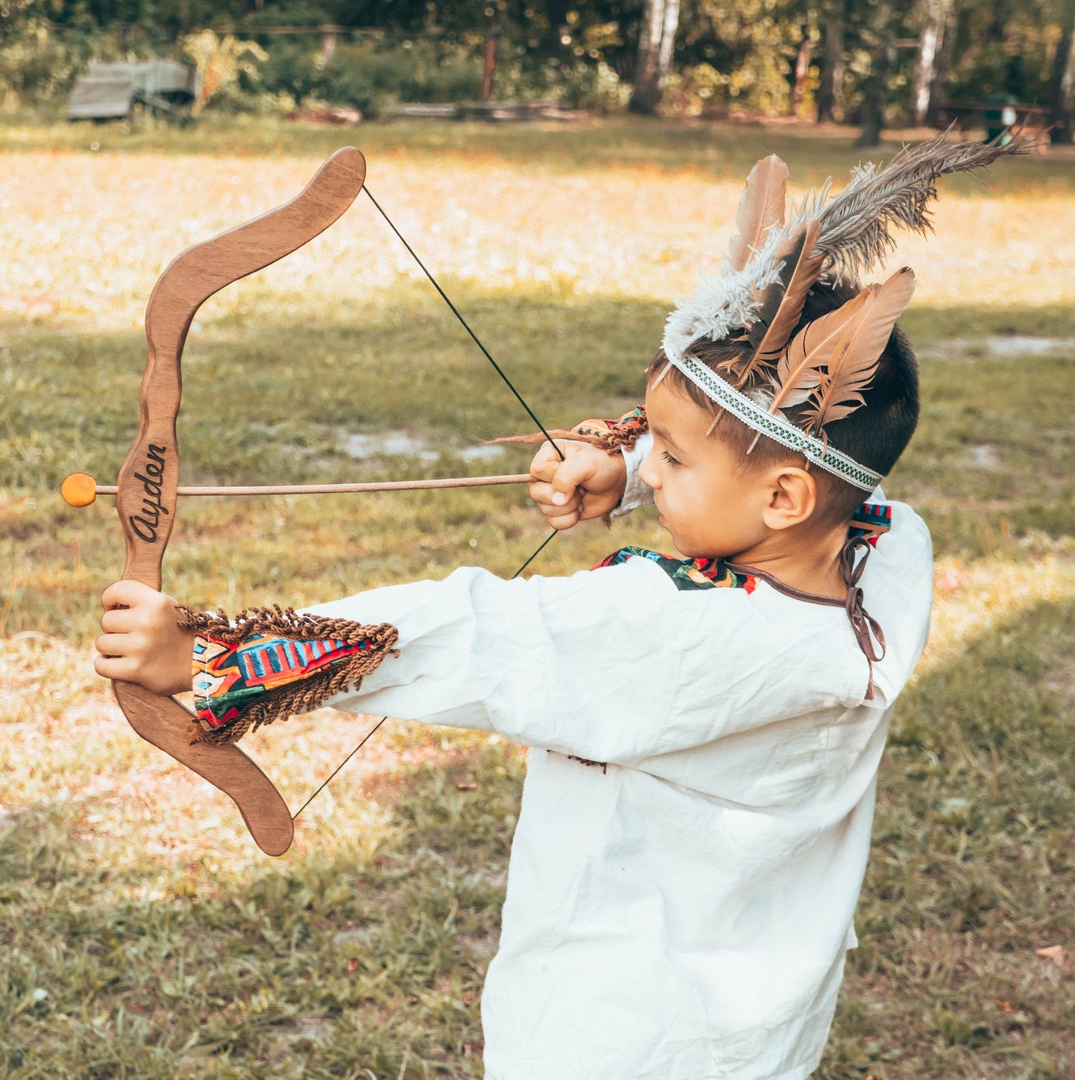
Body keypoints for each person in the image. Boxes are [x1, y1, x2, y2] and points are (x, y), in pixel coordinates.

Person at [94, 136, 1019, 1079]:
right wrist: (629, 469)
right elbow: (812, 480)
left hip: (612, 1033)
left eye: (673, 457)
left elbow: (479, 634)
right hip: (758, 1030)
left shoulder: (671, 632)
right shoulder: (886, 554)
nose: (655, 467)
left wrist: (207, 654)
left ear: (783, 496)